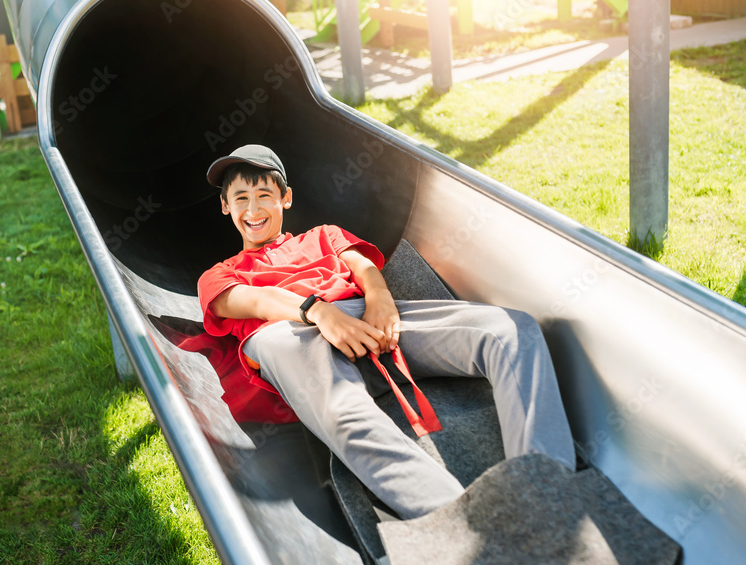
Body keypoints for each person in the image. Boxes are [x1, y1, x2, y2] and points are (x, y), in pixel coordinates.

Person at [197, 144, 576, 520]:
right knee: (345, 414)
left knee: (509, 331)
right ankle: (462, 521)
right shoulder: (219, 273)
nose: (253, 209)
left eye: (264, 195)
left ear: (286, 198)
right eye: (241, 198)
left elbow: (362, 267)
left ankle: (545, 488)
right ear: (226, 206)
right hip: (291, 334)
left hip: (365, 318)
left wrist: (380, 298)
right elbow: (252, 301)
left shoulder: (323, 236)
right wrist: (317, 311)